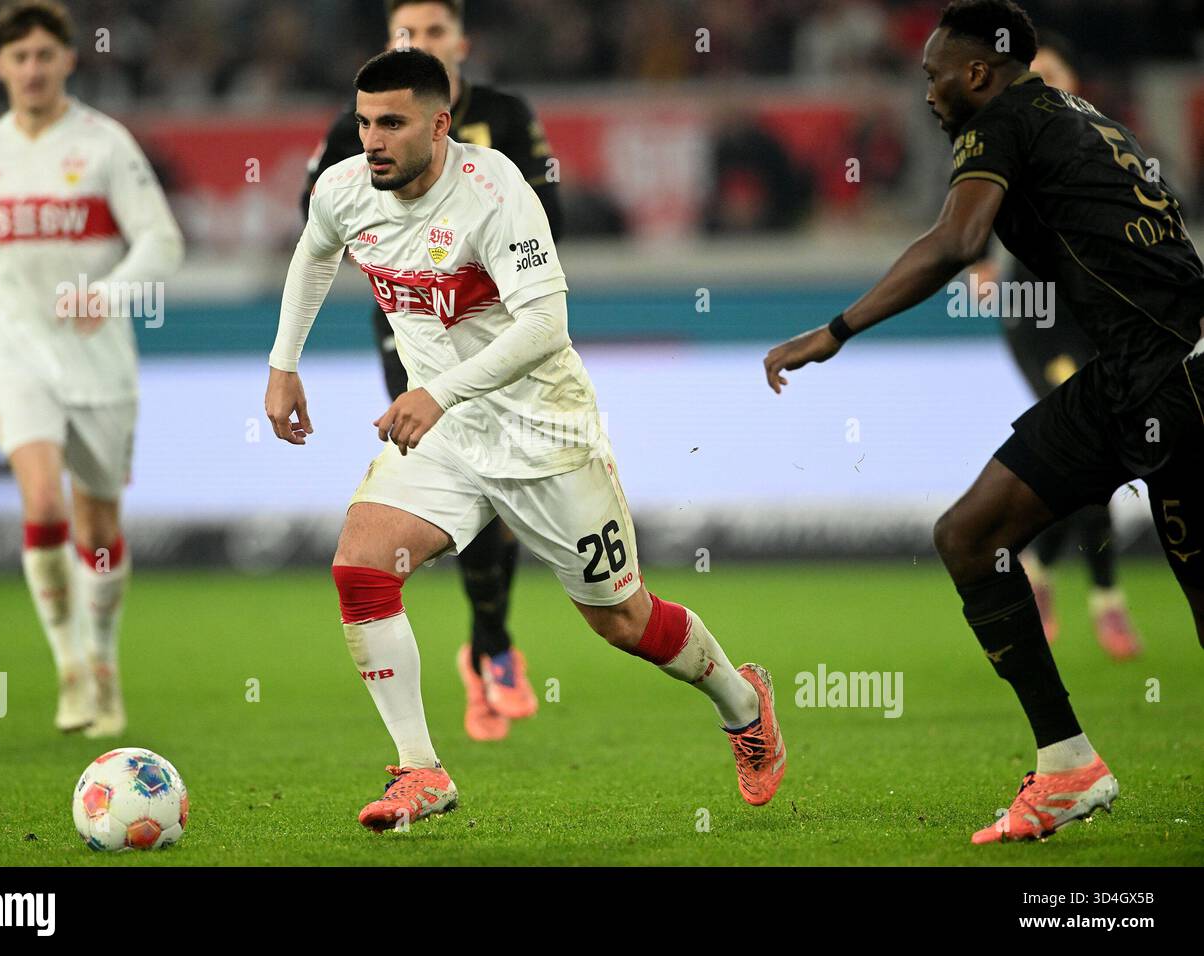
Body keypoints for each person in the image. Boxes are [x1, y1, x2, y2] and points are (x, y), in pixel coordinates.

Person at [265, 49, 784, 831]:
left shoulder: (494, 191)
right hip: (448, 438)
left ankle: (744, 704)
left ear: (439, 125)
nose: (372, 139)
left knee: (622, 620)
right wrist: (283, 366)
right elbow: (314, 252)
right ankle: (420, 770)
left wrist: (436, 389)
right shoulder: (345, 189)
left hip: (544, 432)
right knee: (361, 567)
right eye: (366, 121)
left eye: (393, 123)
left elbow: (546, 325)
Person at [763, 0, 1203, 844]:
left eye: (933, 75)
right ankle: (1068, 764)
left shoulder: (1001, 118)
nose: (925, 93)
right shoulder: (1079, 113)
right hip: (1150, 372)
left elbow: (957, 239)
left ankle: (1069, 761)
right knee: (972, 533)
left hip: (1164, 377)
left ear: (976, 73)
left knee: (974, 536)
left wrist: (835, 332)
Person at [300, 0, 560, 744]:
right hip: (410, 332)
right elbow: (314, 218)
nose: (421, 44)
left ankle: (487, 642)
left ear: (463, 45)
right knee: (454, 460)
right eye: (406, 35)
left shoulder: (504, 118)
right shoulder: (363, 128)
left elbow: (554, 215)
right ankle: (493, 653)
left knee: (507, 498)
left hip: (500, 324)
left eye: (435, 32)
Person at [0, 0, 184, 737]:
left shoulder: (105, 145)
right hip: (16, 348)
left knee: (100, 519)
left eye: (45, 55)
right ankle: (70, 668)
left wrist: (110, 293)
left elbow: (163, 242)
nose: (32, 69)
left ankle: (104, 661)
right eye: (18, 58)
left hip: (99, 359)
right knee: (44, 503)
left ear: (69, 61)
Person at [981, 35, 1142, 658]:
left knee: (1087, 453)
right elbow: (973, 211)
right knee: (1094, 440)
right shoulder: (1009, 145)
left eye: (1051, 72)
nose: (1041, 82)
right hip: (1039, 319)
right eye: (1031, 75)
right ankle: (1108, 601)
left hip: (1093, 319)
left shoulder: (1107, 142)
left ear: (1073, 79)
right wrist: (978, 261)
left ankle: (1036, 570)